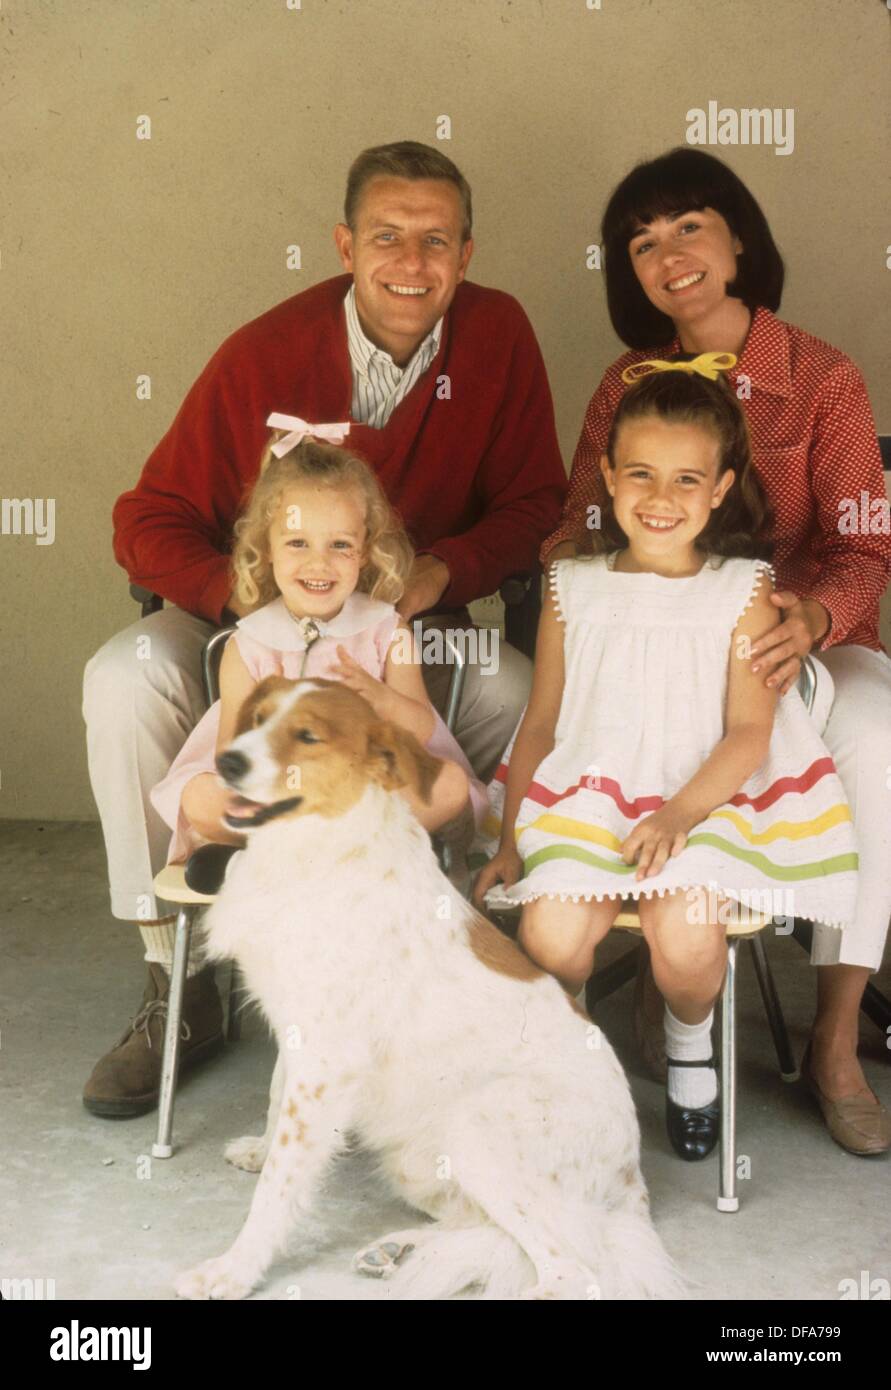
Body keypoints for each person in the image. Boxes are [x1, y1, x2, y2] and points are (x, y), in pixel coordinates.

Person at [82, 139, 566, 1117]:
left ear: (466, 254)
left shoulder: (500, 335)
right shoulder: (265, 351)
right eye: (387, 236)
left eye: (435, 241)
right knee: (123, 674)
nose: (411, 262)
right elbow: (144, 518)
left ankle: (463, 941)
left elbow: (534, 501)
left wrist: (443, 571)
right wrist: (252, 597)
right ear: (345, 244)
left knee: (513, 682)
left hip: (398, 626)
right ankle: (175, 977)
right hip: (247, 631)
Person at [540, 147, 891, 1155]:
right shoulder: (625, 381)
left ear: (739, 238)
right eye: (643, 242)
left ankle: (834, 1041)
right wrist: (585, 549)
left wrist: (813, 618)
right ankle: (669, 961)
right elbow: (582, 517)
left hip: (799, 633)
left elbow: (867, 540)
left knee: (873, 732)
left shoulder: (822, 377)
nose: (668, 253)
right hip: (664, 633)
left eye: (689, 226)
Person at [474, 360, 859, 1161]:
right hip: (588, 792)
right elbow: (540, 724)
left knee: (685, 942)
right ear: (607, 475)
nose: (659, 498)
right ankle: (568, 1072)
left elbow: (749, 733)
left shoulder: (741, 589)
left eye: (687, 479)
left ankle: (689, 1043)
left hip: (705, 797)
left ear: (721, 488)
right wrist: (511, 838)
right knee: (550, 940)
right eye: (640, 474)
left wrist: (679, 813)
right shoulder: (569, 588)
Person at [151, 427, 484, 869]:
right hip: (275, 793)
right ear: (267, 549)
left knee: (449, 786)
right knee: (199, 798)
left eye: (340, 545)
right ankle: (330, 854)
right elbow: (230, 748)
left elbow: (422, 726)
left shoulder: (387, 632)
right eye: (296, 542)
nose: (318, 563)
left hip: (365, 789)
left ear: (365, 551)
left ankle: (296, 856)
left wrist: (383, 700)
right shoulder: (248, 645)